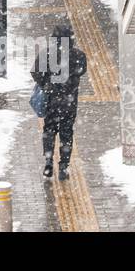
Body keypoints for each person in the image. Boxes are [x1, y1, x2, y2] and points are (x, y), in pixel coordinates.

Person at [31, 24, 87, 180]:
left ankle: (48, 162)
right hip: (69, 103)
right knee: (66, 134)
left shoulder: (46, 54)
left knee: (49, 131)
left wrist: (46, 84)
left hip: (51, 101)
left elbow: (35, 73)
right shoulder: (78, 55)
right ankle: (63, 166)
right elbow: (82, 71)